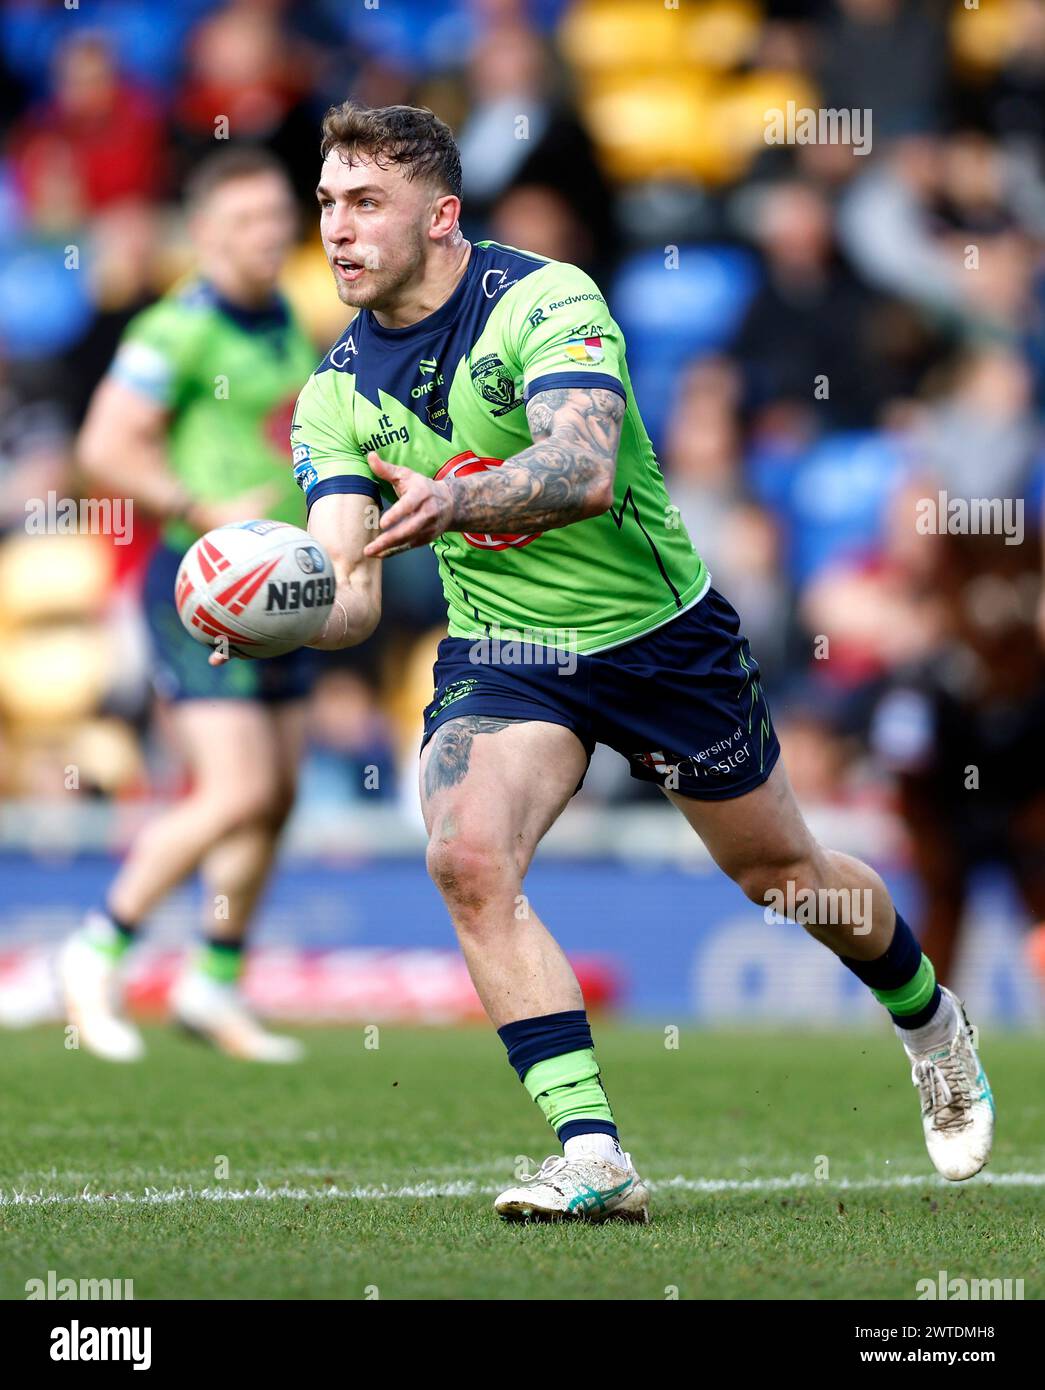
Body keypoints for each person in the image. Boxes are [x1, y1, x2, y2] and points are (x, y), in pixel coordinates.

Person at [230, 103, 994, 1218]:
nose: (336, 231)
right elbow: (347, 593)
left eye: (364, 205)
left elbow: (580, 469)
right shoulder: (333, 397)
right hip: (507, 654)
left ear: (442, 217)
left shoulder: (546, 298)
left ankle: (929, 1018)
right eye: (326, 207)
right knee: (466, 856)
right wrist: (271, 612)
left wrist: (452, 500)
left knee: (783, 879)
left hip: (657, 639)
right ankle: (594, 1153)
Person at [59, 147, 320, 1063]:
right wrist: (200, 506)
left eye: (277, 217)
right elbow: (103, 445)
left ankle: (213, 983)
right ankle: (97, 948)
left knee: (278, 795)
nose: (269, 235)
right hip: (201, 587)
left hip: (285, 593)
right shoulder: (176, 330)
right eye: (246, 222)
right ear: (204, 233)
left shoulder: (286, 315)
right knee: (237, 786)